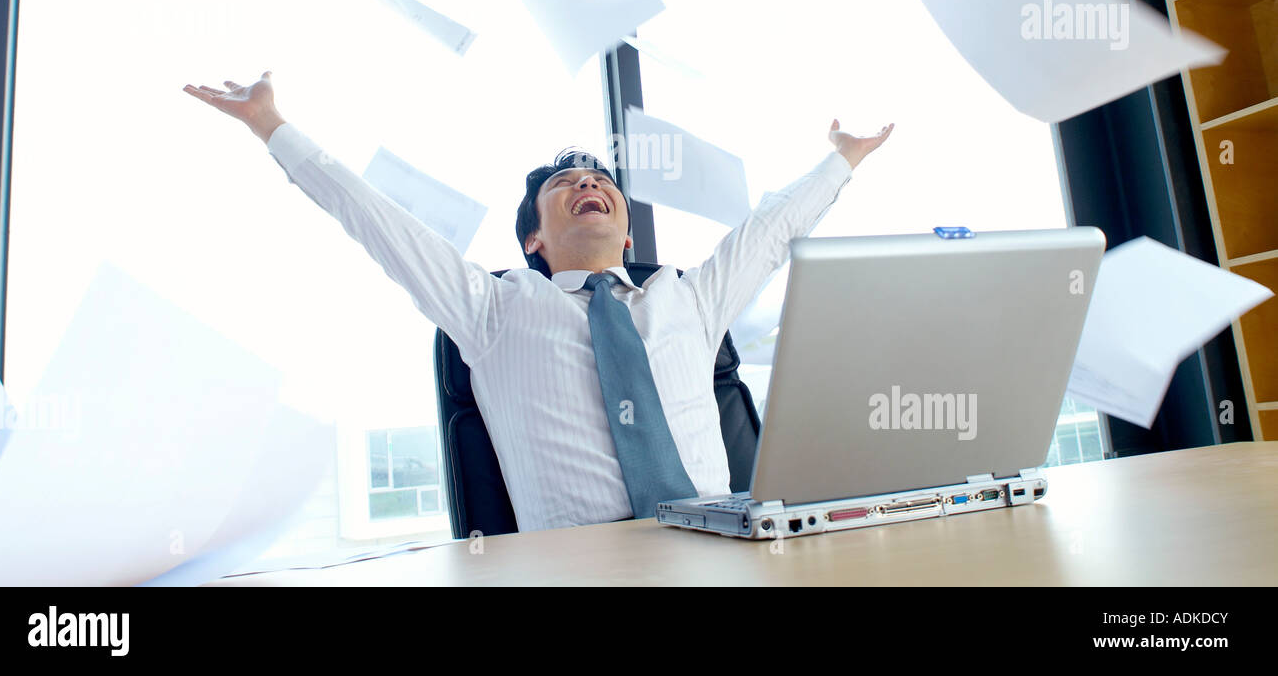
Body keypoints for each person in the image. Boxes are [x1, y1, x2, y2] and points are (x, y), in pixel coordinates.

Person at [183, 70, 893, 531]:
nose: (589, 182)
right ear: (532, 240)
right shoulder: (490, 309)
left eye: (600, 179)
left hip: (724, 550)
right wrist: (270, 122)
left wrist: (845, 157)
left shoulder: (690, 297)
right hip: (578, 569)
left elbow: (772, 230)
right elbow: (376, 219)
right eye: (566, 184)